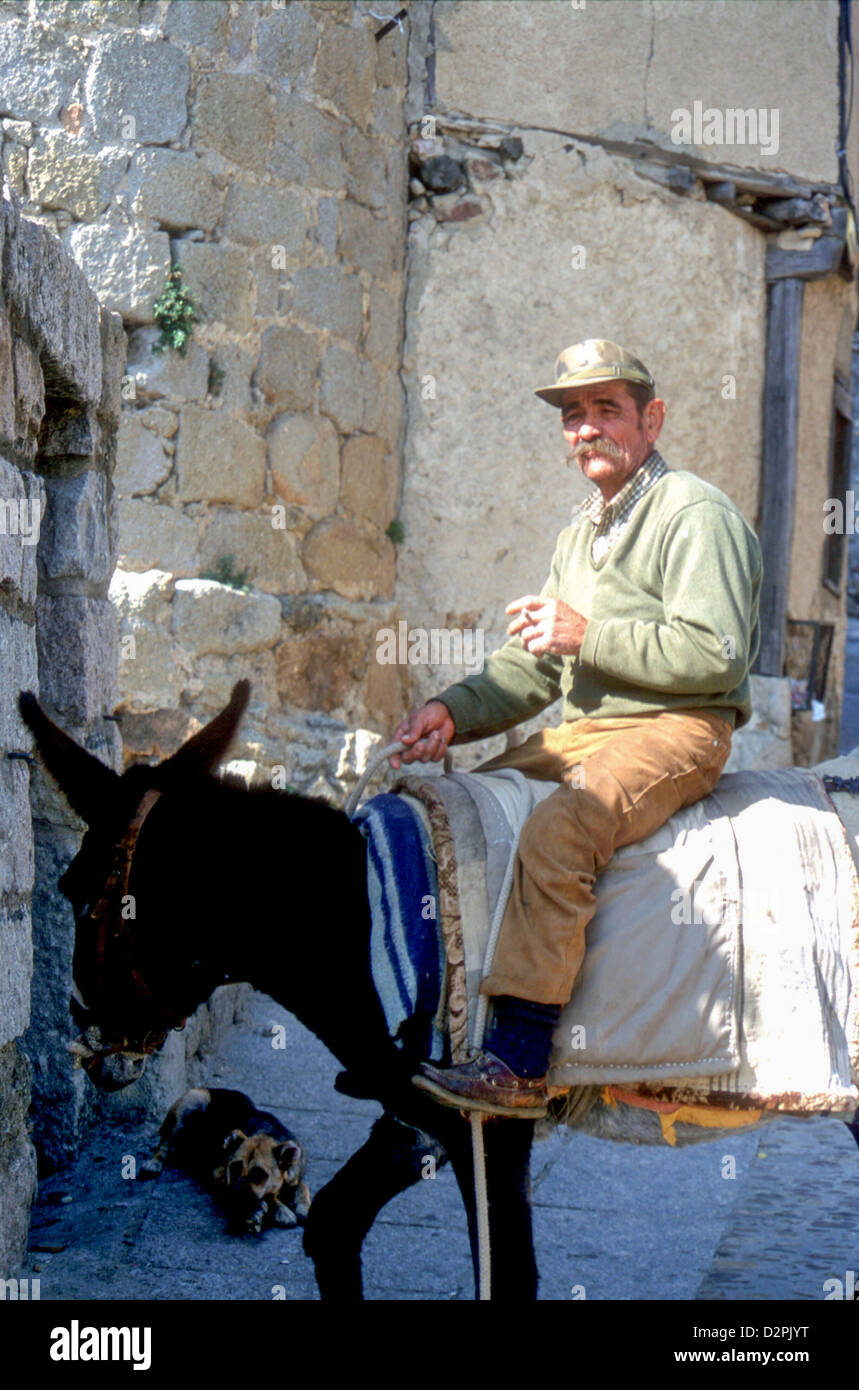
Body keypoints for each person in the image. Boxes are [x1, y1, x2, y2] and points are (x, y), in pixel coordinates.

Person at [389, 339, 762, 1118]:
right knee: (465, 805)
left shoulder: (694, 512)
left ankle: (521, 1061)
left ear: (649, 419)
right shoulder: (579, 535)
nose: (586, 429)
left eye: (605, 410)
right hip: (586, 731)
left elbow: (716, 654)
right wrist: (451, 711)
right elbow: (535, 671)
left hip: (676, 728)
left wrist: (584, 633)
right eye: (572, 416)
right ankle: (443, 1017)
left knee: (563, 829)